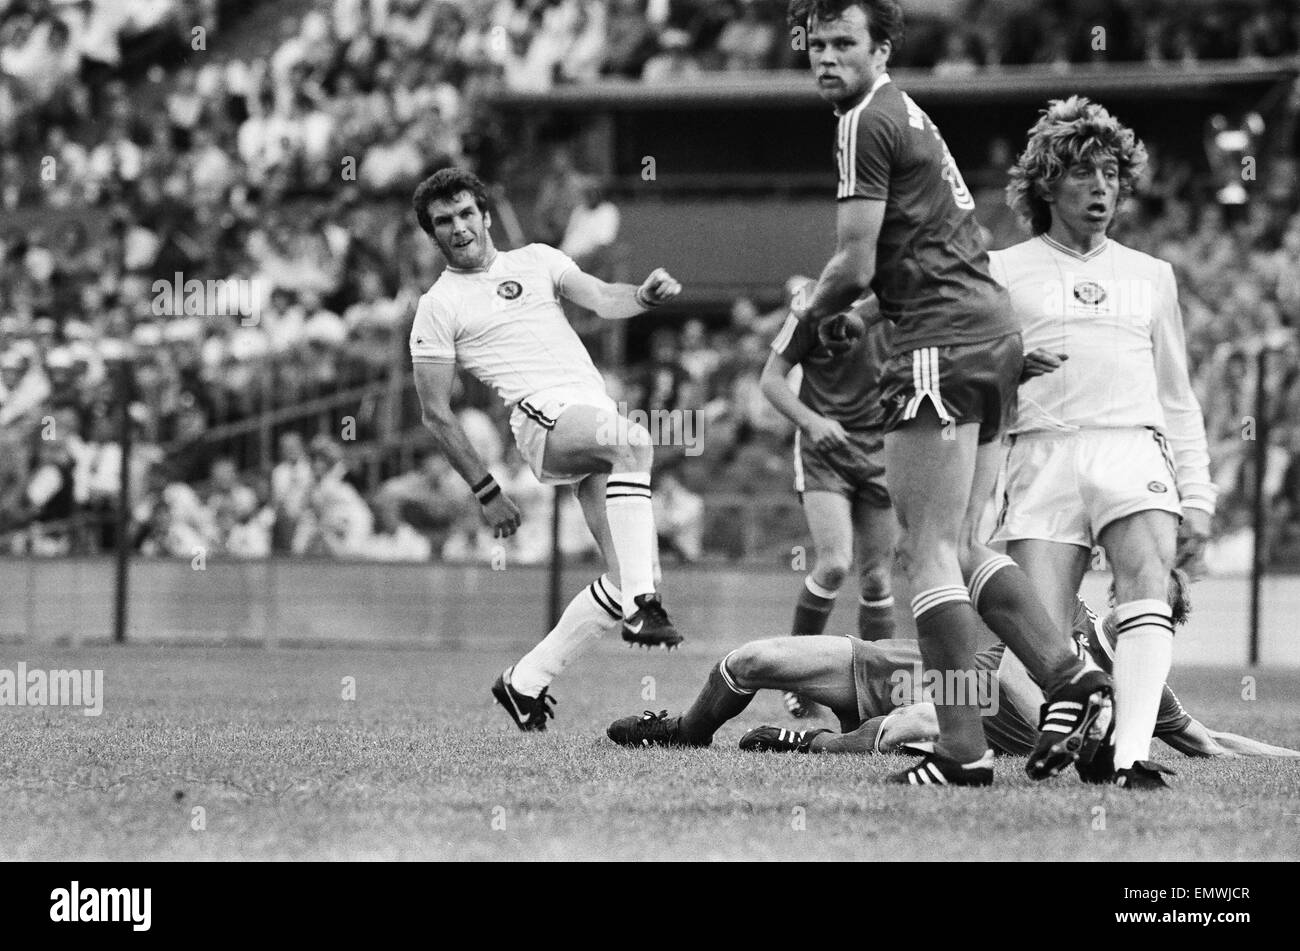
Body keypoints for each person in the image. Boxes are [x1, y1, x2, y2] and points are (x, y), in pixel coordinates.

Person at [784, 0, 1110, 787]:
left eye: (843, 43)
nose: (826, 57)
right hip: (990, 336)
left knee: (920, 551)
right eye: (815, 44)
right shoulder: (908, 114)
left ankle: (963, 752)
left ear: (882, 48)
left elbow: (854, 262)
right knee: (965, 546)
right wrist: (861, 313)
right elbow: (916, 251)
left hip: (937, 342)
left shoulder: (863, 120)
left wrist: (810, 312)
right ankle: (1073, 680)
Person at [988, 97, 1217, 788]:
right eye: (1085, 173)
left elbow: (1178, 396)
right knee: (1045, 638)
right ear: (1047, 183)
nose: (1102, 188)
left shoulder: (1151, 276)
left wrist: (1197, 494)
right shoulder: (1003, 271)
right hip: (1040, 454)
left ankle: (1130, 757)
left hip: (1130, 447)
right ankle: (1086, 719)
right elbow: (987, 394)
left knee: (1147, 581)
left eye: (1112, 175)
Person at [408, 167, 684, 732]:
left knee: (632, 569)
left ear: (484, 215)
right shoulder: (438, 305)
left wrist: (643, 296)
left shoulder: (537, 259)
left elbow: (604, 298)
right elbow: (435, 412)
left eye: (465, 214)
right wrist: (486, 491)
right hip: (542, 418)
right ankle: (642, 610)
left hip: (589, 413)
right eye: (443, 222)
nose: (458, 227)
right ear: (433, 236)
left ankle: (525, 681)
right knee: (632, 442)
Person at [607, 573, 1300, 767]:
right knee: (751, 658)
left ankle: (809, 743)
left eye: (1160, 611)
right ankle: (688, 732)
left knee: (917, 722)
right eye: (1141, 591)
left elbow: (1208, 741)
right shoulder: (1066, 602)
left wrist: (1289, 754)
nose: (1142, 607)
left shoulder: (1142, 684)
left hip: (950, 710)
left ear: (1165, 627)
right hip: (904, 666)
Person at [760, 293, 896, 720]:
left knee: (876, 579)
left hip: (884, 449)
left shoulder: (904, 302)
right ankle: (796, 677)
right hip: (824, 450)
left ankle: (883, 689)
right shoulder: (811, 306)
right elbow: (772, 380)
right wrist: (812, 422)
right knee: (836, 563)